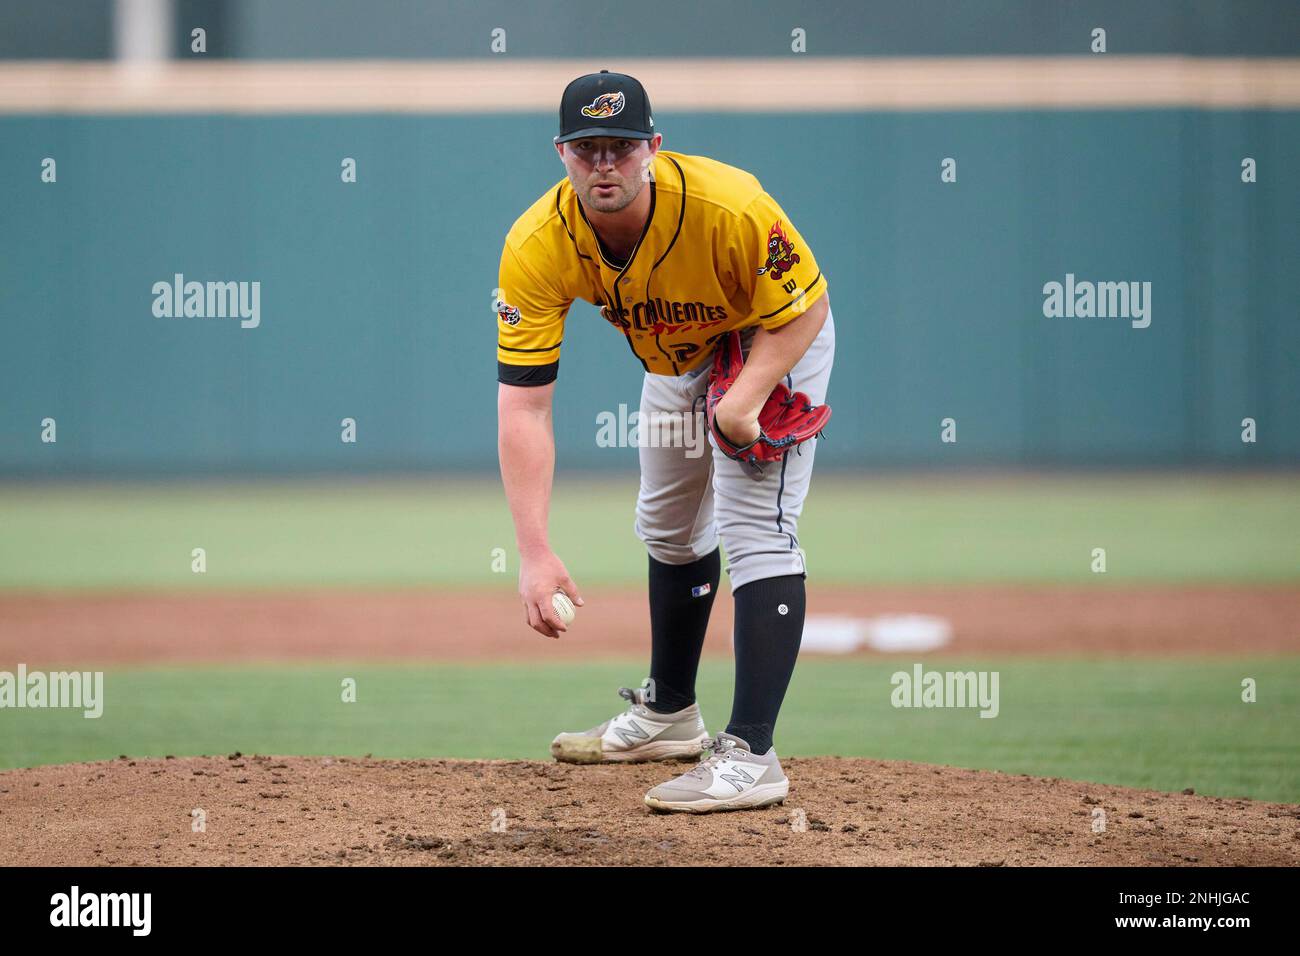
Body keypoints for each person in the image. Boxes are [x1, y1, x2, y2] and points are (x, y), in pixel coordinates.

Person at [495, 69, 835, 813]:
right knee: (667, 526)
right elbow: (524, 408)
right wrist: (533, 550)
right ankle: (671, 713)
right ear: (561, 154)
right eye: (588, 148)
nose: (605, 163)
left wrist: (743, 404)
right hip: (678, 357)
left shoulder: (727, 203)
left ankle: (752, 756)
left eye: (621, 145)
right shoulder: (538, 244)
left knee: (756, 531)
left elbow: (807, 303)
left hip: (772, 339)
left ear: (654, 146)